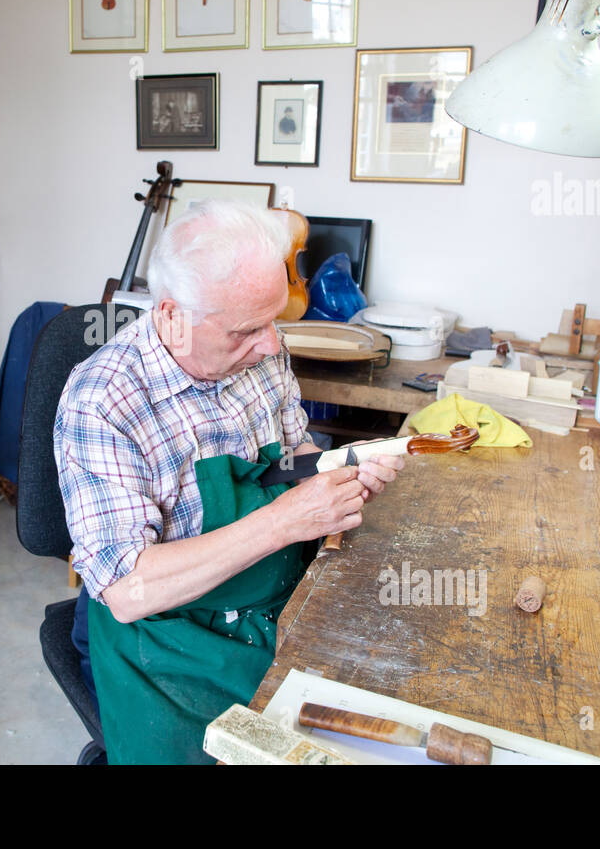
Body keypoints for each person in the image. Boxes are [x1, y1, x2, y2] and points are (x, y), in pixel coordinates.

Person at [53, 200, 403, 764]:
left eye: (274, 320)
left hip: (270, 601)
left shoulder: (260, 349)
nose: (270, 344)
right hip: (168, 638)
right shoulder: (103, 400)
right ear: (172, 316)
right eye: (247, 328)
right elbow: (127, 590)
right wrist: (286, 520)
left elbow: (293, 458)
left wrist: (342, 470)